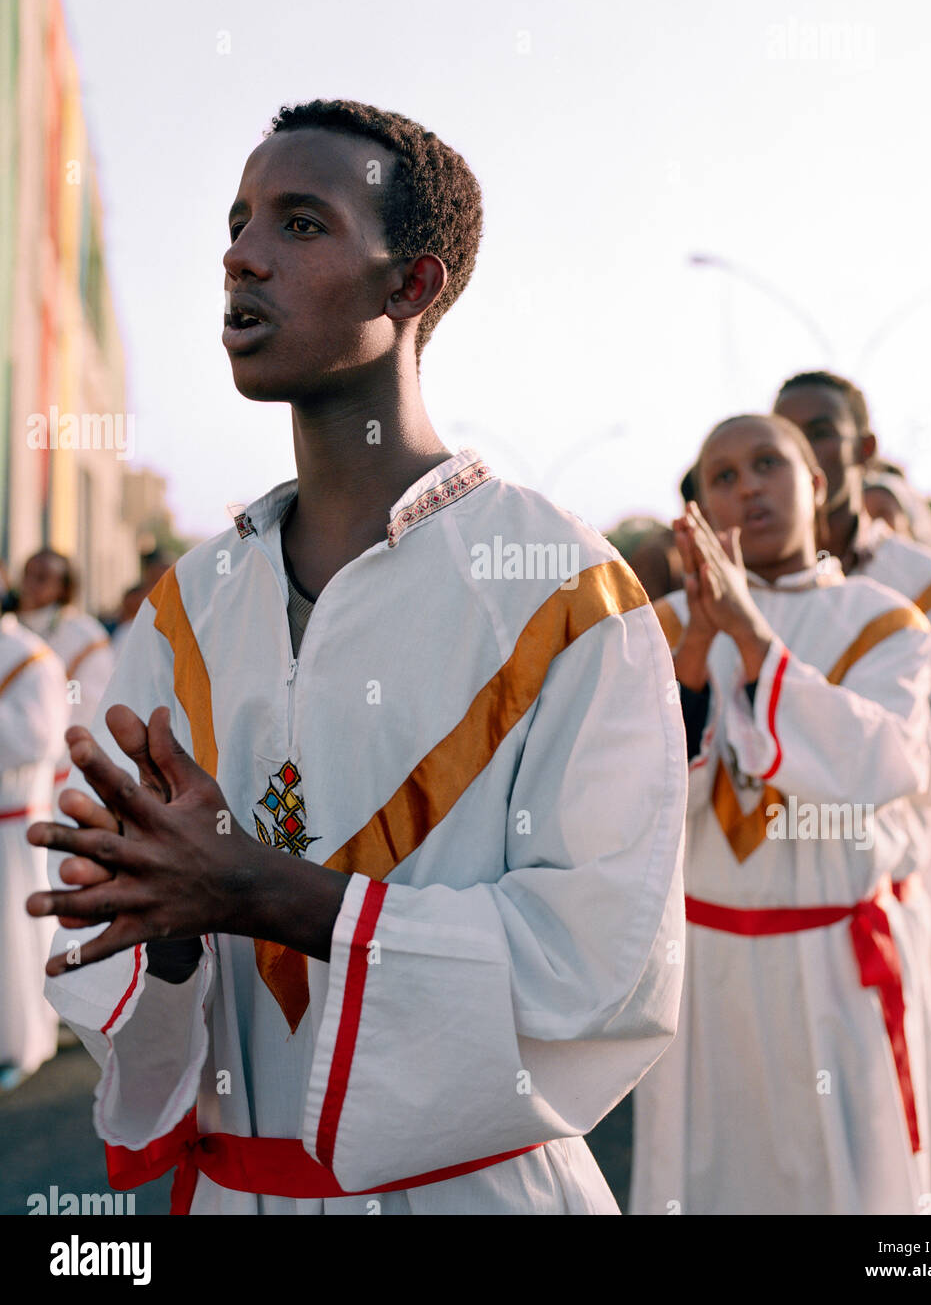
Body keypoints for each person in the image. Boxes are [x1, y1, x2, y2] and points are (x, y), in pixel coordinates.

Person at [28, 98, 687, 1215]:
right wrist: (165, 932)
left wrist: (267, 890)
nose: (239, 255)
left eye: (299, 224)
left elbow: (601, 965)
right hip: (238, 1189)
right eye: (238, 222)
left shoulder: (566, 594)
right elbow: (136, 959)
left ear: (410, 285)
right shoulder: (189, 605)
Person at [630, 413, 931, 1214]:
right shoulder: (658, 625)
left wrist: (752, 633)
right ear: (699, 509)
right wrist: (698, 645)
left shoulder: (885, 620)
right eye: (721, 477)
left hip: (834, 961)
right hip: (704, 967)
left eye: (768, 463)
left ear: (817, 482)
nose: (747, 487)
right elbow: (640, 799)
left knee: (847, 1183)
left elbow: (880, 765)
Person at [773, 372, 931, 1201]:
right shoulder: (751, 584)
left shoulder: (927, 587)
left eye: (820, 432)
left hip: (877, 895)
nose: (803, 454)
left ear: (861, 450)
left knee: (877, 1140)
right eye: (784, 438)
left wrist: (811, 728)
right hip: (761, 909)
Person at [0, 612, 68, 1089]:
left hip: (15, 822)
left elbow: (40, 739)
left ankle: (19, 1042)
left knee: (15, 935)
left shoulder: (33, 657)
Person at [16, 549, 115, 806]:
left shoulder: (84, 635)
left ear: (63, 587)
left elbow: (89, 706)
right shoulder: (13, 629)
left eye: (42, 577)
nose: (30, 584)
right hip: (15, 771)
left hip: (64, 771)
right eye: (27, 575)